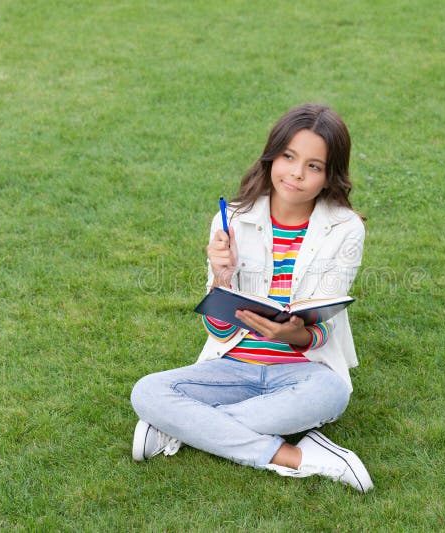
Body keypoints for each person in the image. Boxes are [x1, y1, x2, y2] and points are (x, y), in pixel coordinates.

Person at [130, 104, 372, 492]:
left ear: (329, 176)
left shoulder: (345, 229)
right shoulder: (232, 219)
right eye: (289, 157)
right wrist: (221, 278)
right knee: (147, 391)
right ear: (271, 155)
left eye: (313, 166)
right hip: (233, 367)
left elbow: (326, 323)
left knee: (332, 394)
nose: (296, 173)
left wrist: (292, 335)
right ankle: (299, 456)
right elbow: (218, 327)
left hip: (305, 372)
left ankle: (178, 428)